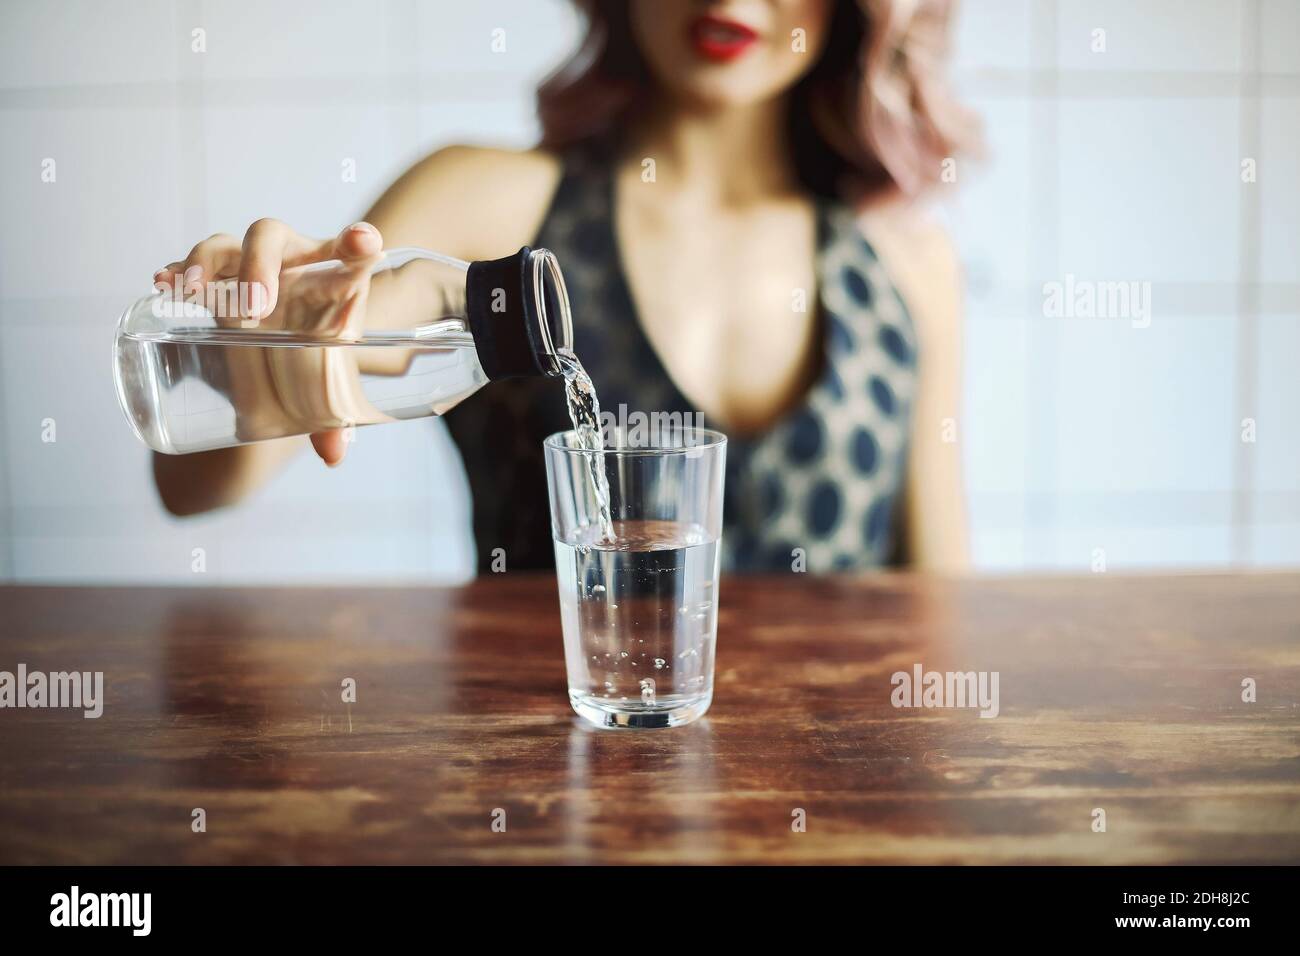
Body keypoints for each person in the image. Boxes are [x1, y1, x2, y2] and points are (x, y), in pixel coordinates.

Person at [152, 0, 975, 573]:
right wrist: (243, 338)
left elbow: (940, 600)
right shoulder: (483, 203)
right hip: (543, 790)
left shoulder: (906, 268)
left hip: (828, 803)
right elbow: (196, 484)